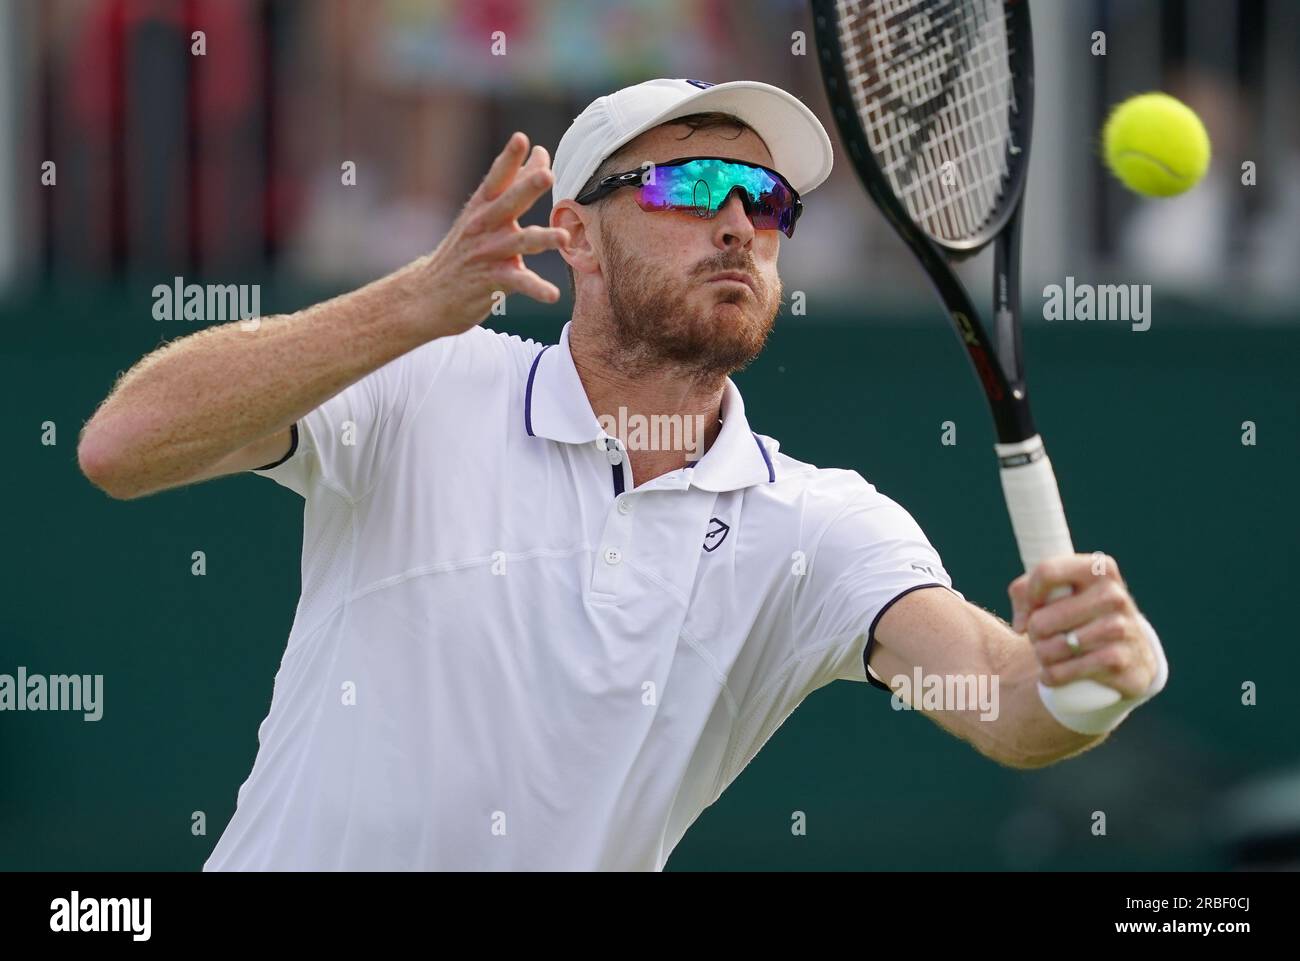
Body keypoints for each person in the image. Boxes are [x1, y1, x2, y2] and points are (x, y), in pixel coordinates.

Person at [77, 78, 1168, 871]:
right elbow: (122, 446)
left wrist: (1095, 679)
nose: (740, 222)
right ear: (576, 238)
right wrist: (410, 303)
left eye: (769, 201)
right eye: (693, 184)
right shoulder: (424, 383)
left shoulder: (818, 528)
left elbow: (1002, 703)